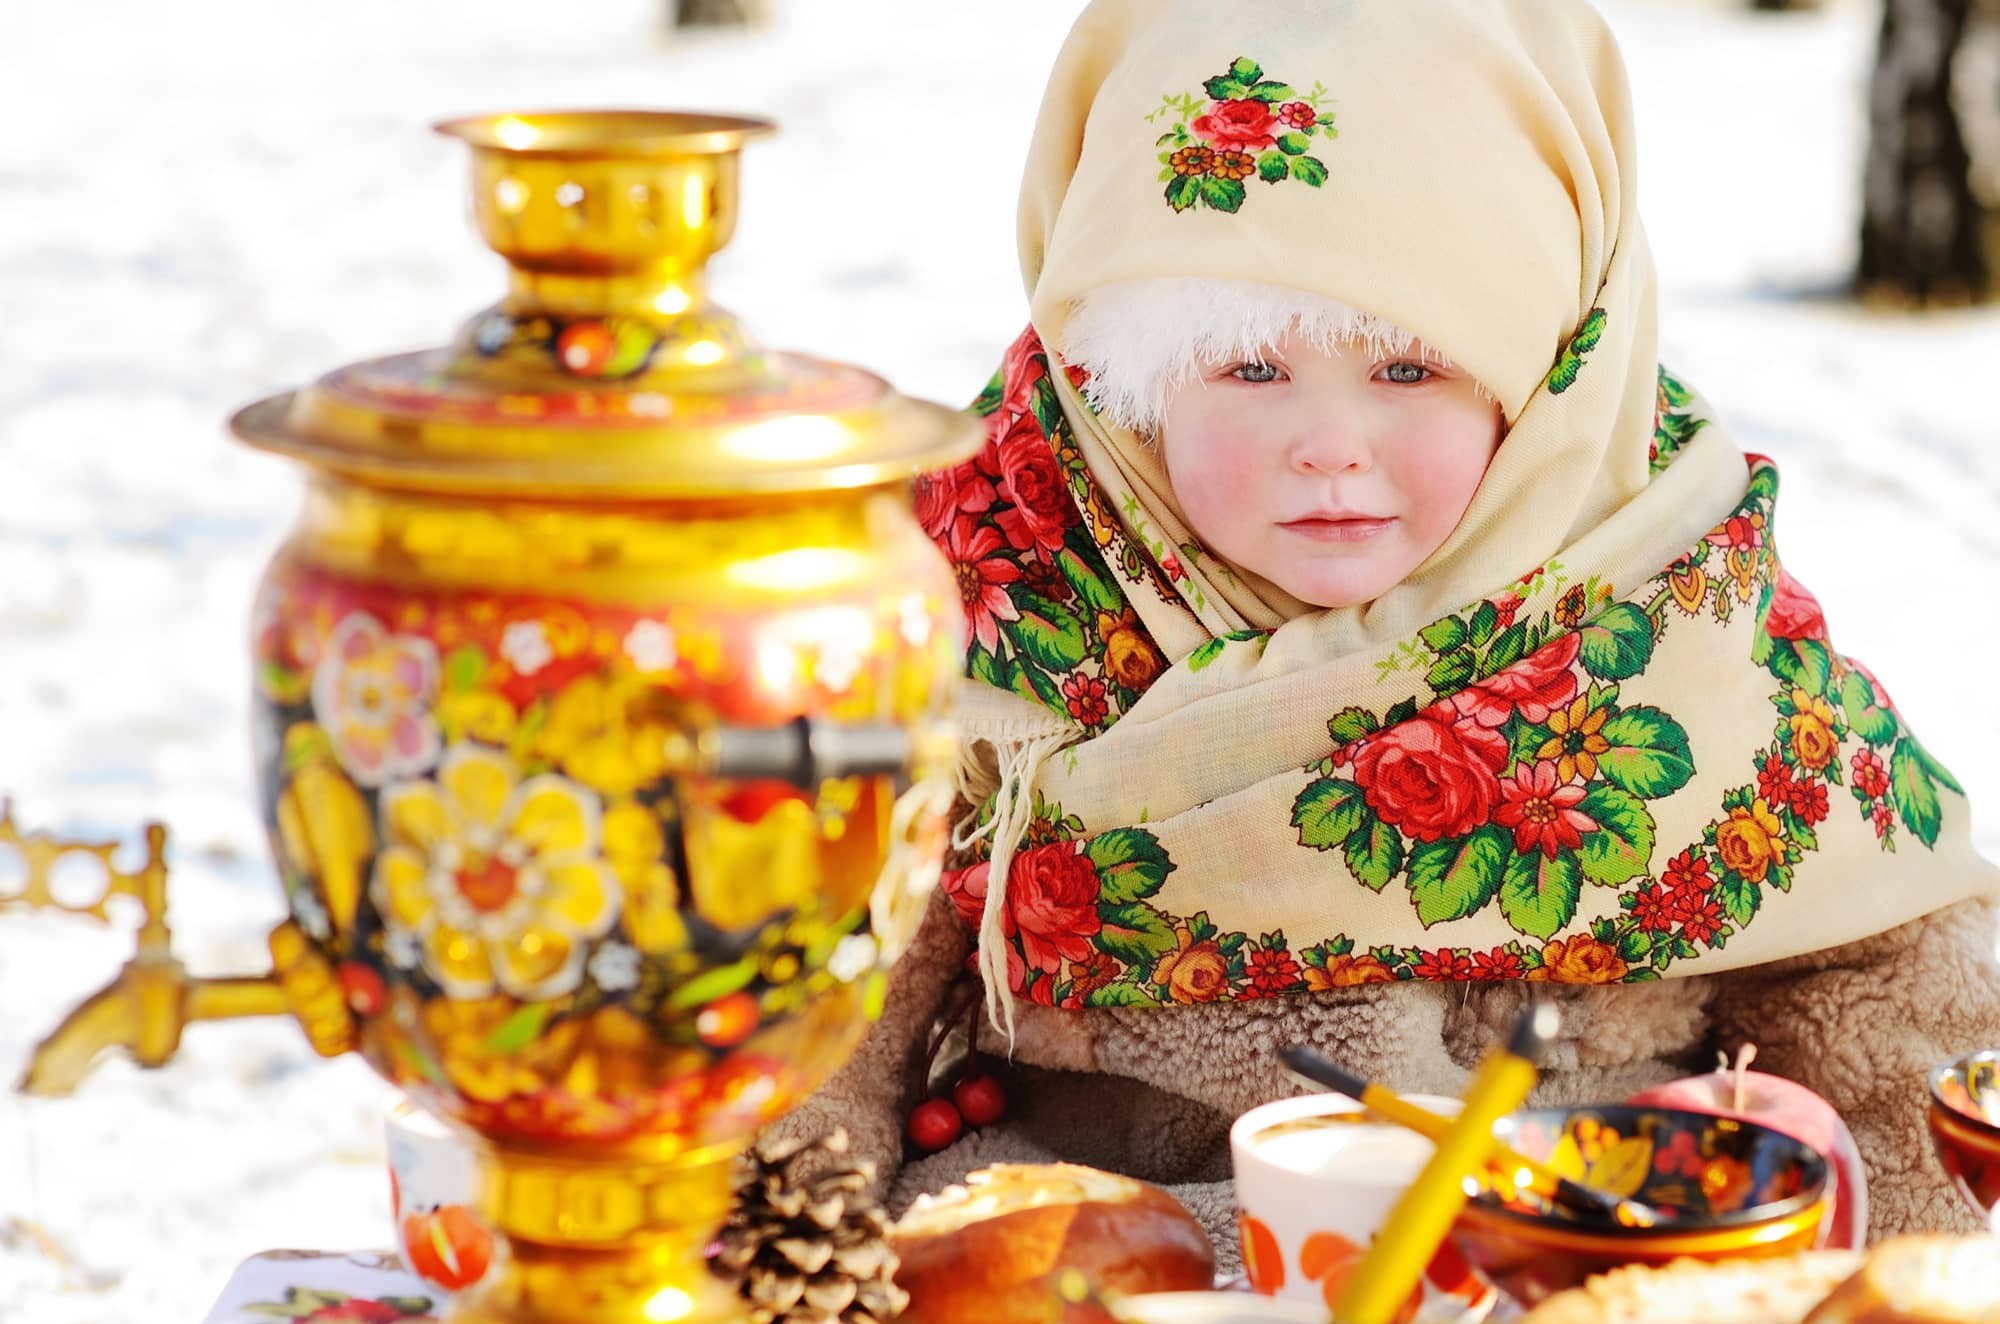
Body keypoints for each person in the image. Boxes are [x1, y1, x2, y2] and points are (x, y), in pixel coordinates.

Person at [772, 0, 2000, 1255]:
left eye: (1408, 367)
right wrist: (787, 1198)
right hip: (1114, 1283)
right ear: (1121, 386)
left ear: (1543, 371)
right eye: (1247, 369)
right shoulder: (1011, 583)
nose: (1329, 443)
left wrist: (1882, 1281)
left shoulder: (1666, 604)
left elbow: (1883, 982)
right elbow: (828, 951)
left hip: (1579, 1281)